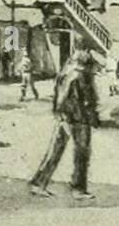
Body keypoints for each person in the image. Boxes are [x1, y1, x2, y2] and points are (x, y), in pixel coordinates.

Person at [29, 49, 100, 201]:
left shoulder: (65, 73)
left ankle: (38, 183)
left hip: (65, 117)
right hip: (78, 118)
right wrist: (93, 117)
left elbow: (58, 97)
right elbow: (85, 100)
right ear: (85, 64)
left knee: (55, 151)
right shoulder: (79, 76)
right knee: (81, 154)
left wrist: (59, 113)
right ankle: (78, 189)